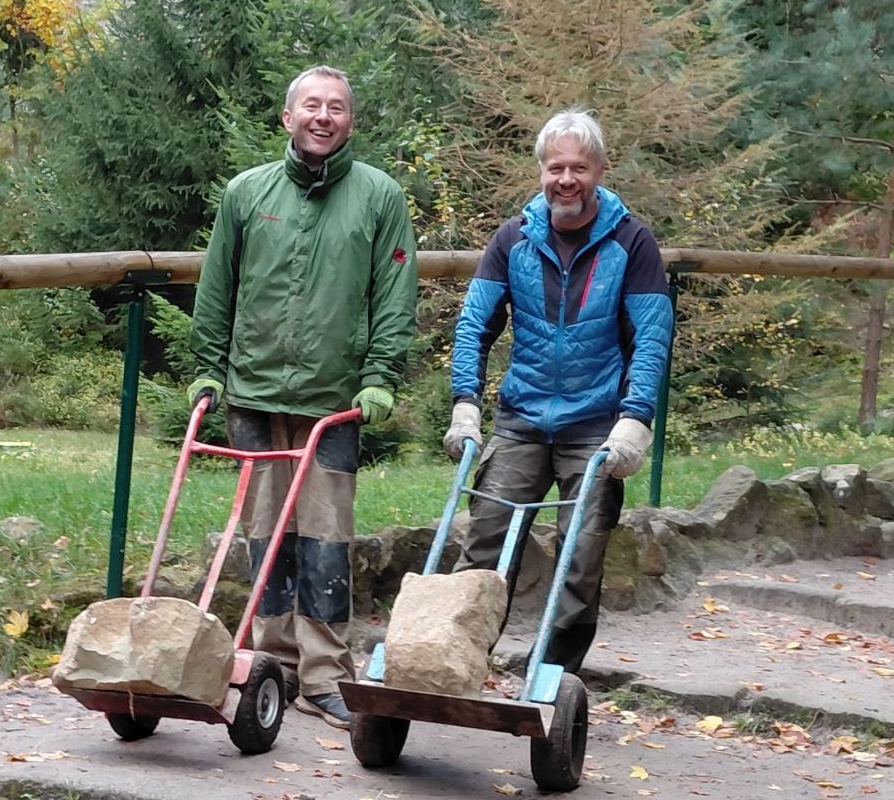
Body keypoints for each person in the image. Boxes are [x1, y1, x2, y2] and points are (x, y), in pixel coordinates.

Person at [188, 65, 417, 729]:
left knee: (323, 537)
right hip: (254, 393)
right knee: (265, 534)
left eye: (337, 107)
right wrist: (209, 368)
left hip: (332, 398)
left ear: (351, 121)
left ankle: (323, 674)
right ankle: (273, 665)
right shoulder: (245, 193)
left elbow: (394, 297)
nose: (323, 116)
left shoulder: (379, 197)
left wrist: (380, 374)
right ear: (287, 118)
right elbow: (216, 287)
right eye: (311, 106)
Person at [443, 109, 672, 674]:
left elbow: (652, 335)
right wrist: (465, 403)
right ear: (541, 171)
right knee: (487, 543)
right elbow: (475, 323)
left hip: (595, 422)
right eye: (556, 168)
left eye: (579, 167)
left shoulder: (630, 242)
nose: (566, 179)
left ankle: (552, 677)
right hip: (522, 416)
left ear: (599, 170)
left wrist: (635, 419)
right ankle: (456, 660)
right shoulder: (513, 240)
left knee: (581, 553)